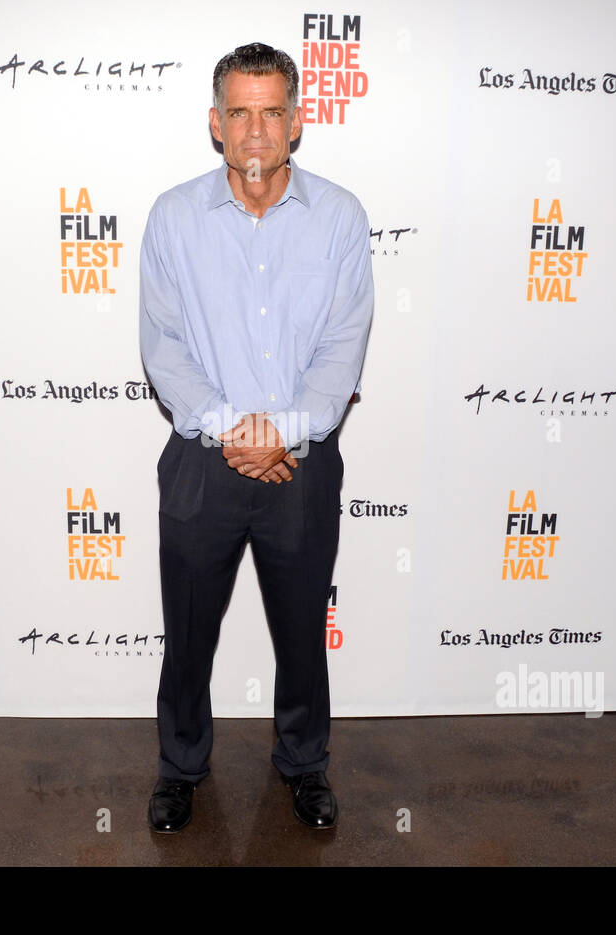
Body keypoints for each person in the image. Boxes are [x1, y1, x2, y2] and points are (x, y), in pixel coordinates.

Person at [139, 42, 374, 832]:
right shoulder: (173, 217)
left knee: (303, 633)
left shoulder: (340, 217)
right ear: (215, 122)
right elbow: (164, 345)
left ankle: (304, 766)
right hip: (204, 465)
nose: (254, 130)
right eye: (239, 111)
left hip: (302, 467)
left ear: (297, 121)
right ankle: (180, 769)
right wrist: (235, 430)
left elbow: (344, 346)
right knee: (188, 637)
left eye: (271, 111)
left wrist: (288, 432)